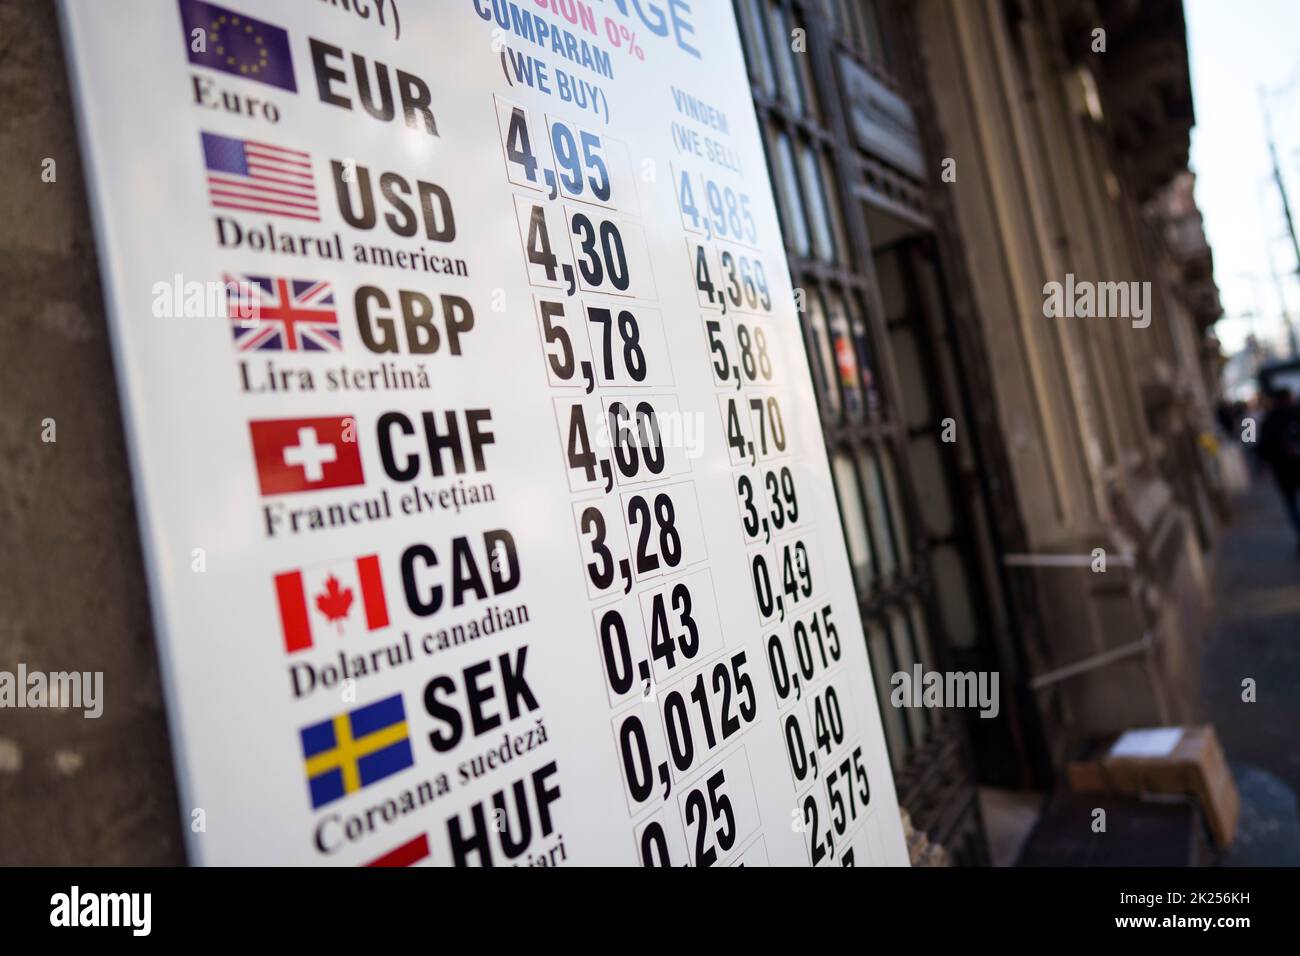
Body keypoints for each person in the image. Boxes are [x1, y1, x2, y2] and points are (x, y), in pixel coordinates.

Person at [1257, 388, 1300, 553]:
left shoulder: (1269, 419)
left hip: (1283, 471)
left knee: (1291, 505)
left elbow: (1262, 447)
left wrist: (1264, 465)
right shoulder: (1297, 412)